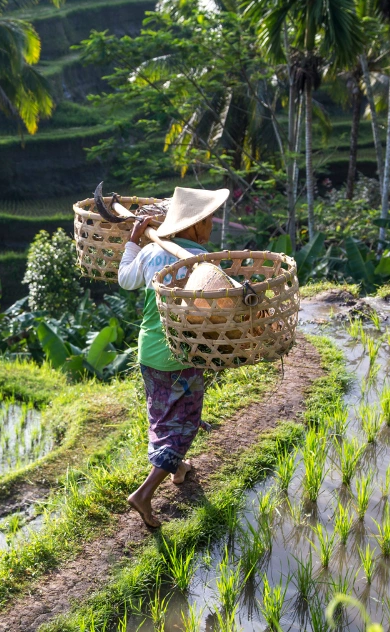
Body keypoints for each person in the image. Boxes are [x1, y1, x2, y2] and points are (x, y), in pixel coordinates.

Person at [118, 186, 229, 528]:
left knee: (161, 414)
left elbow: (125, 280)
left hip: (149, 350)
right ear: (194, 226)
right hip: (181, 355)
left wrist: (134, 242)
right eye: (208, 220)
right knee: (184, 424)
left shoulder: (152, 253)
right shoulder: (203, 264)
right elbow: (221, 311)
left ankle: (178, 469)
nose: (211, 225)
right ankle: (144, 493)